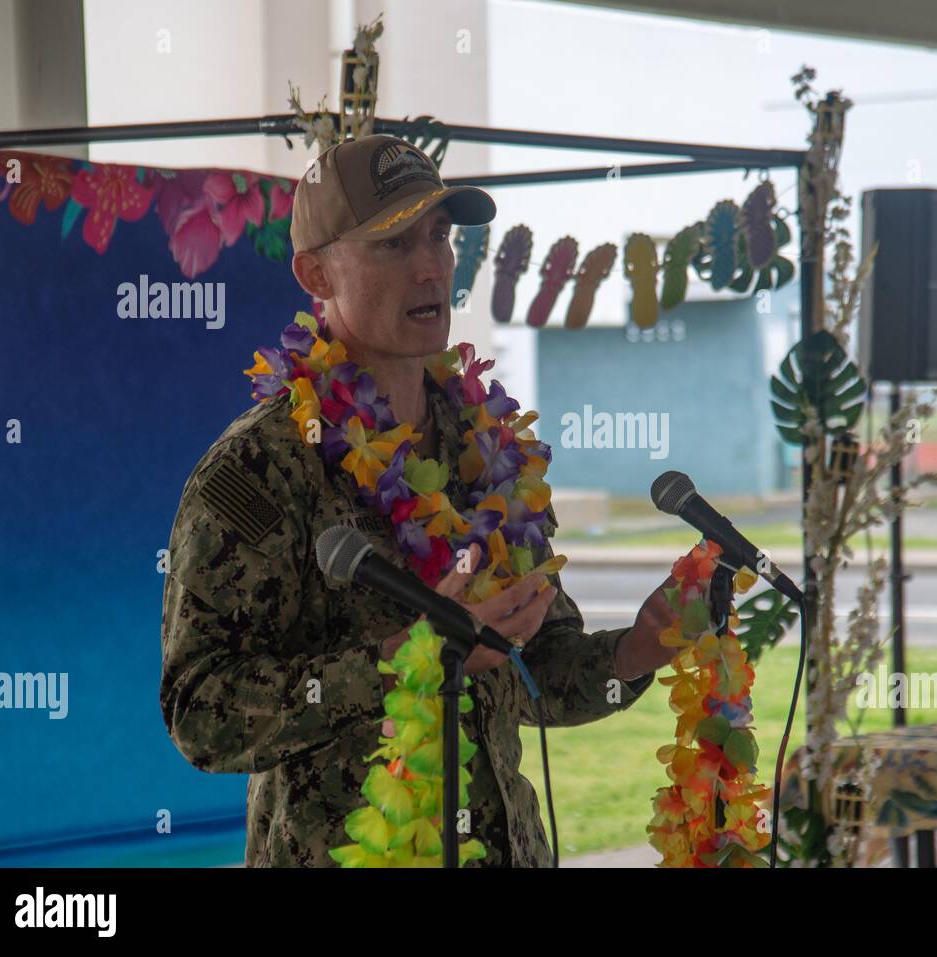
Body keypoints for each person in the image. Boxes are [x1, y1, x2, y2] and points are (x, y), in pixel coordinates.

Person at [159, 135, 680, 867]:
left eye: (440, 235)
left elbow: (536, 676)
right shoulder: (262, 467)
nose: (432, 264)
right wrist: (407, 659)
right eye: (393, 242)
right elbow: (201, 713)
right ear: (315, 273)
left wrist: (635, 651)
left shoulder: (493, 452)